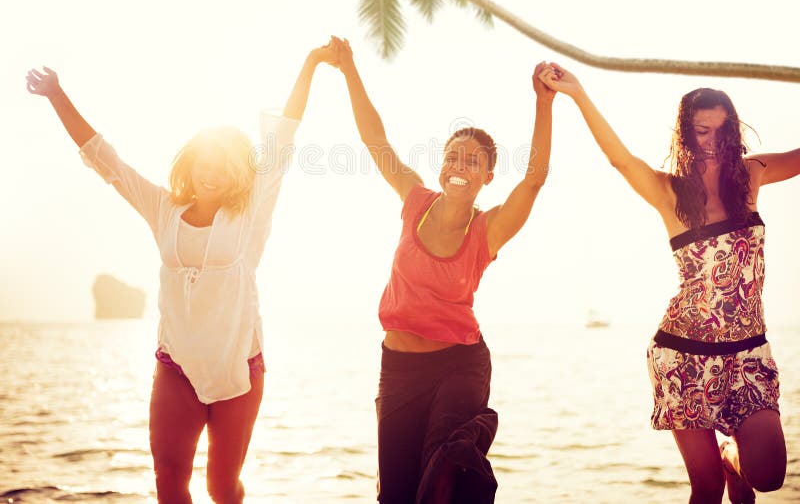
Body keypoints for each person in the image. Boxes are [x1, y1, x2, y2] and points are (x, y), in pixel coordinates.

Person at [26, 42, 336, 504]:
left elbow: (282, 136)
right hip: (177, 369)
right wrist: (56, 95)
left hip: (239, 369)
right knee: (169, 482)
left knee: (221, 487)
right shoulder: (162, 209)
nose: (211, 174)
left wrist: (309, 64)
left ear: (238, 173)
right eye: (204, 164)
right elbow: (104, 158)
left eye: (223, 167)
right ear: (190, 165)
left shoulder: (251, 212)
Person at [538, 63, 798, 504]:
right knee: (706, 489)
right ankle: (721, 471)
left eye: (722, 130)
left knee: (769, 476)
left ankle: (732, 457)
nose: (714, 142)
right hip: (683, 356)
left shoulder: (752, 176)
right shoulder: (669, 194)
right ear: (686, 134)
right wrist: (577, 93)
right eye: (702, 131)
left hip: (748, 353)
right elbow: (620, 158)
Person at [329, 37, 555, 503]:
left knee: (441, 473)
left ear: (487, 177)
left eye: (473, 161)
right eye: (452, 156)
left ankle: (471, 438)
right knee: (394, 495)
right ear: (441, 165)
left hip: (459, 364)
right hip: (399, 368)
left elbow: (533, 179)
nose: (459, 166)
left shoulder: (487, 230)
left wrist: (543, 103)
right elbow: (375, 139)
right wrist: (349, 69)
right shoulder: (415, 202)